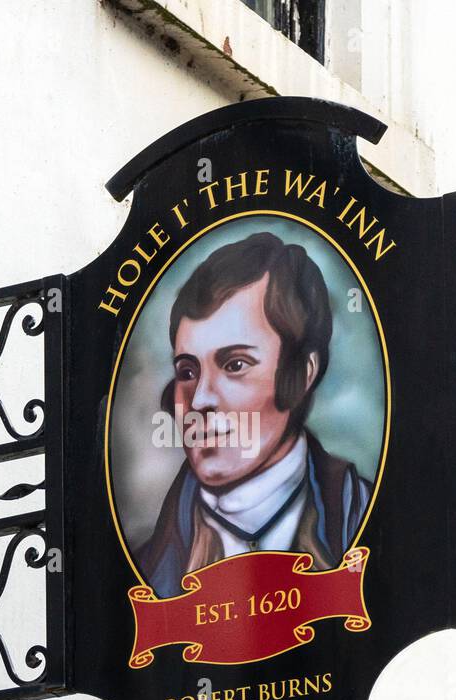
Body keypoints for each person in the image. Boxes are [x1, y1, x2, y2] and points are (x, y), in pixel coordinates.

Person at [136, 231, 371, 597]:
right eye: (187, 371)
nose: (199, 400)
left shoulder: (366, 519)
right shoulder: (147, 569)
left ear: (302, 374)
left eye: (235, 364)